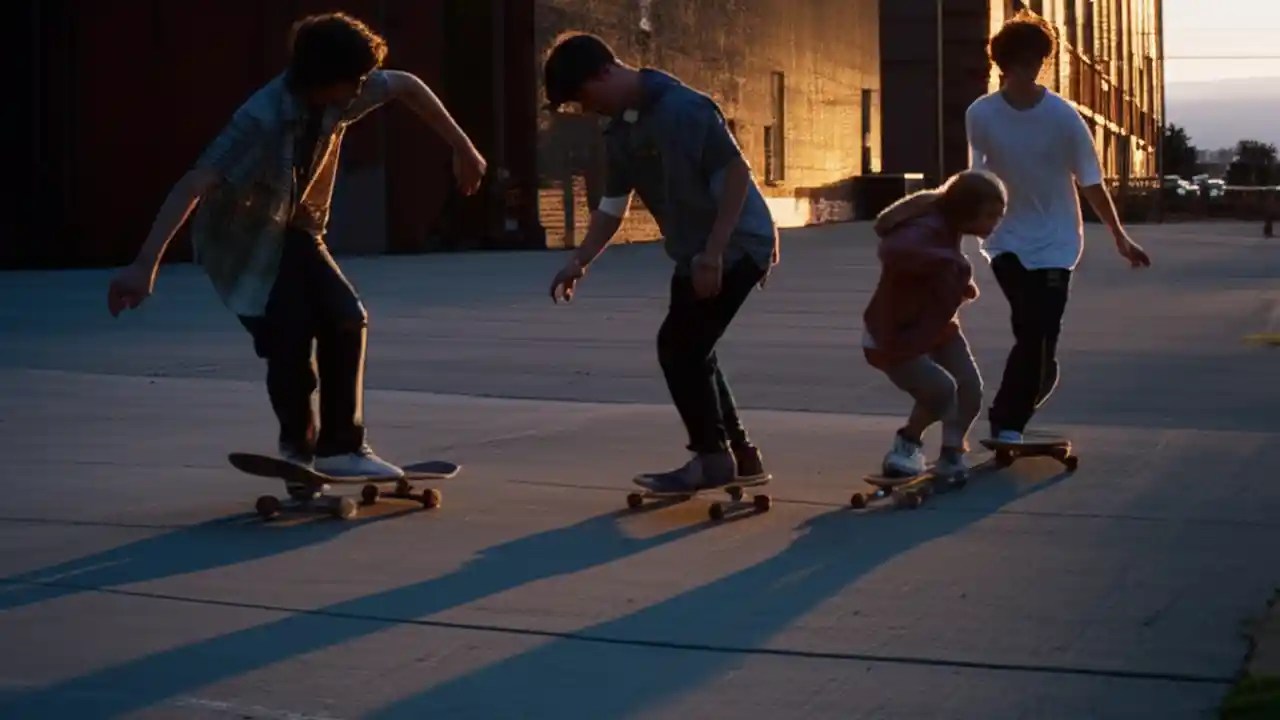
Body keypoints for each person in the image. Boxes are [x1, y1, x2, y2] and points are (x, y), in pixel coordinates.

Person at [106, 13, 487, 486]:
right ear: (325, 80)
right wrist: (146, 265)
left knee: (346, 316)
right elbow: (193, 183)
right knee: (289, 336)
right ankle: (297, 448)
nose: (361, 91)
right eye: (354, 82)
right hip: (242, 243)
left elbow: (407, 85)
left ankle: (341, 447)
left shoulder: (345, 91)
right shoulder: (259, 119)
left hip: (296, 229)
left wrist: (463, 147)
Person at [885, 10, 1151, 444]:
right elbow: (977, 177)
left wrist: (1120, 237)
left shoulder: (1063, 117)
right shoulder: (982, 114)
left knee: (1041, 334)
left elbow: (1090, 182)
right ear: (1003, 65)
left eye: (1034, 62)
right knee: (1030, 328)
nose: (1028, 71)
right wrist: (954, 229)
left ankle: (1027, 391)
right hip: (1005, 238)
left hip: (1058, 241)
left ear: (1042, 62)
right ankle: (1008, 421)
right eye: (1019, 63)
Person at [542, 32, 781, 492]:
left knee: (679, 347)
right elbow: (613, 206)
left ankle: (713, 460)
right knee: (694, 347)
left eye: (587, 98)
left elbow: (735, 173)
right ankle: (740, 454)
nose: (589, 110)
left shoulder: (683, 108)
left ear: (605, 72)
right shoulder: (620, 128)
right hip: (695, 251)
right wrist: (580, 261)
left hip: (735, 243)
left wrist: (714, 252)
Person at [866, 171, 1006, 478]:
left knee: (969, 387)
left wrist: (954, 280)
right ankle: (906, 445)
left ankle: (952, 453)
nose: (995, 223)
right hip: (895, 332)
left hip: (936, 327)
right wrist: (952, 264)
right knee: (941, 390)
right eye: (991, 216)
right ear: (966, 211)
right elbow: (893, 250)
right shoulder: (926, 226)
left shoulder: (948, 223)